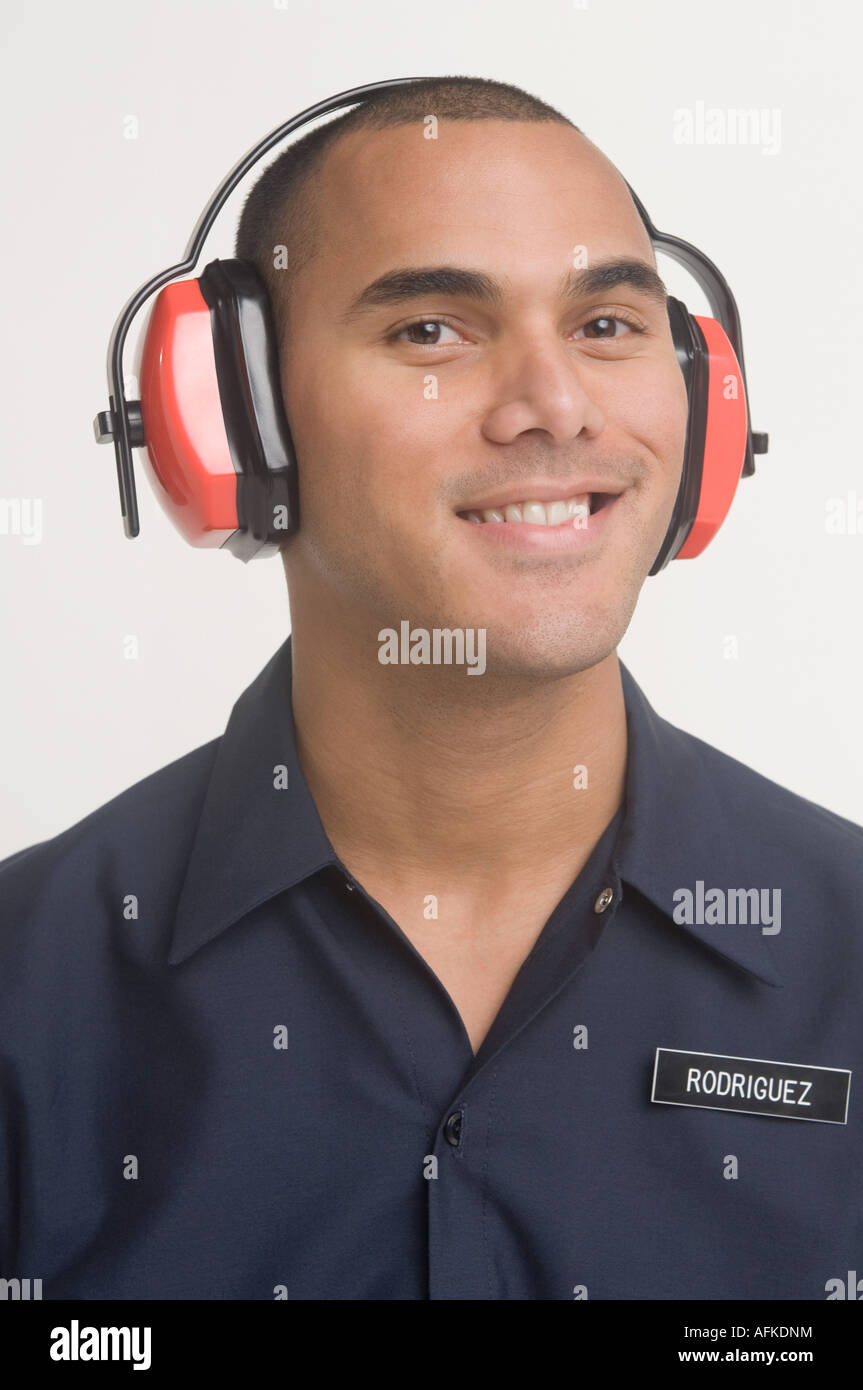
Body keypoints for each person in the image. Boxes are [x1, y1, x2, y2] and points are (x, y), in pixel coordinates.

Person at [1, 76, 860, 1302]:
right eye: (431, 332)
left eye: (605, 323)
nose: (553, 406)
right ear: (236, 417)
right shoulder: (26, 1000)